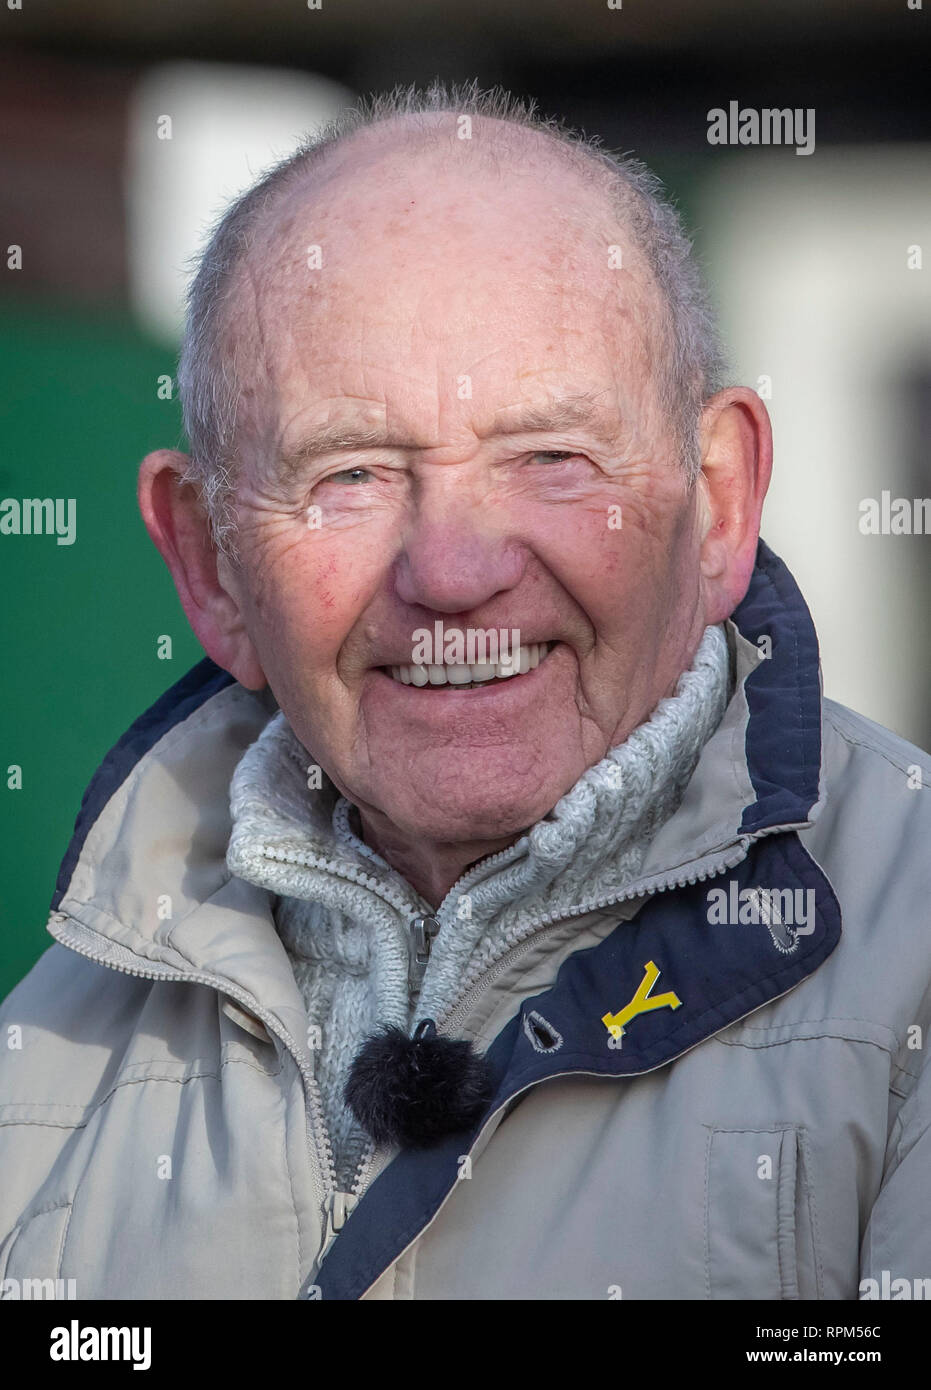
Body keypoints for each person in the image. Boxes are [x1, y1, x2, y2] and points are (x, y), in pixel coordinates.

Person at [2, 84, 929, 1302]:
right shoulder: (47, 1059)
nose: (452, 569)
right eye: (351, 472)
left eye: (550, 457)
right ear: (210, 562)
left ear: (718, 502)